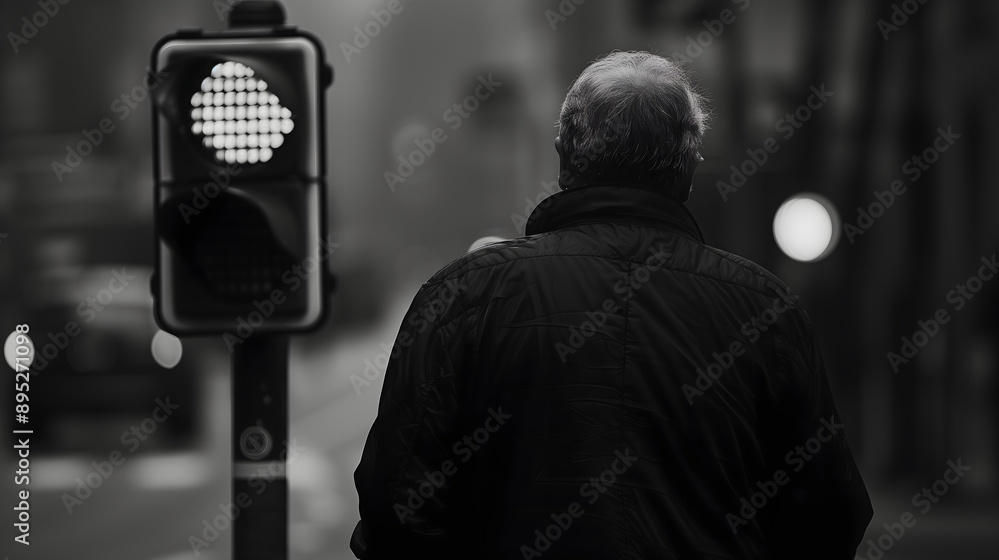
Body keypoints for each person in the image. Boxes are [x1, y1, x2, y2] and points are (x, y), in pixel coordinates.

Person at [351, 51, 872, 559]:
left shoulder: (464, 296)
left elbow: (398, 506)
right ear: (690, 165)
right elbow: (829, 515)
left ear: (564, 154)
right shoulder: (767, 311)